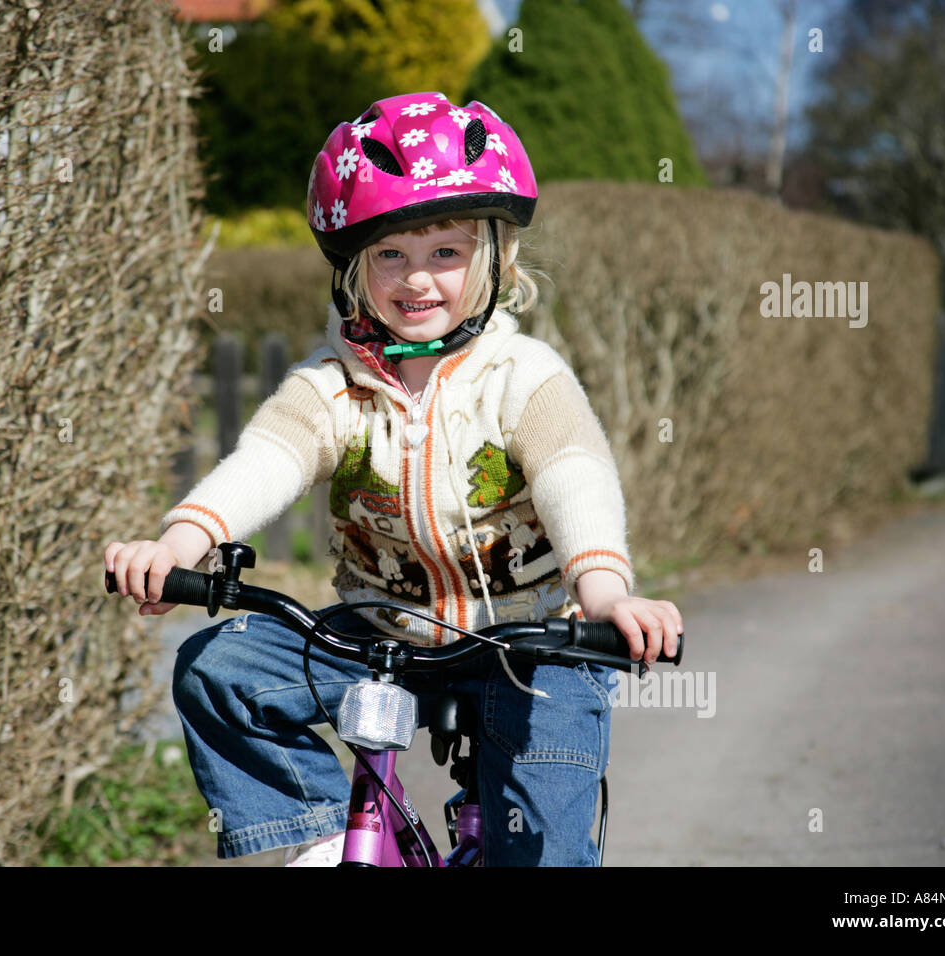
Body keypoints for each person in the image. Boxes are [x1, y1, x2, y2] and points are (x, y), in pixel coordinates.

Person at [105, 92, 683, 866]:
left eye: (445, 252)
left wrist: (605, 594)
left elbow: (575, 477)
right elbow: (266, 461)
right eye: (391, 255)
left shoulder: (522, 375)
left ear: (495, 258)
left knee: (539, 837)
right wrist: (182, 539)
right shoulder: (333, 384)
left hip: (533, 641)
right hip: (383, 635)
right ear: (353, 267)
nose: (418, 280)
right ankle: (317, 840)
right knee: (219, 669)